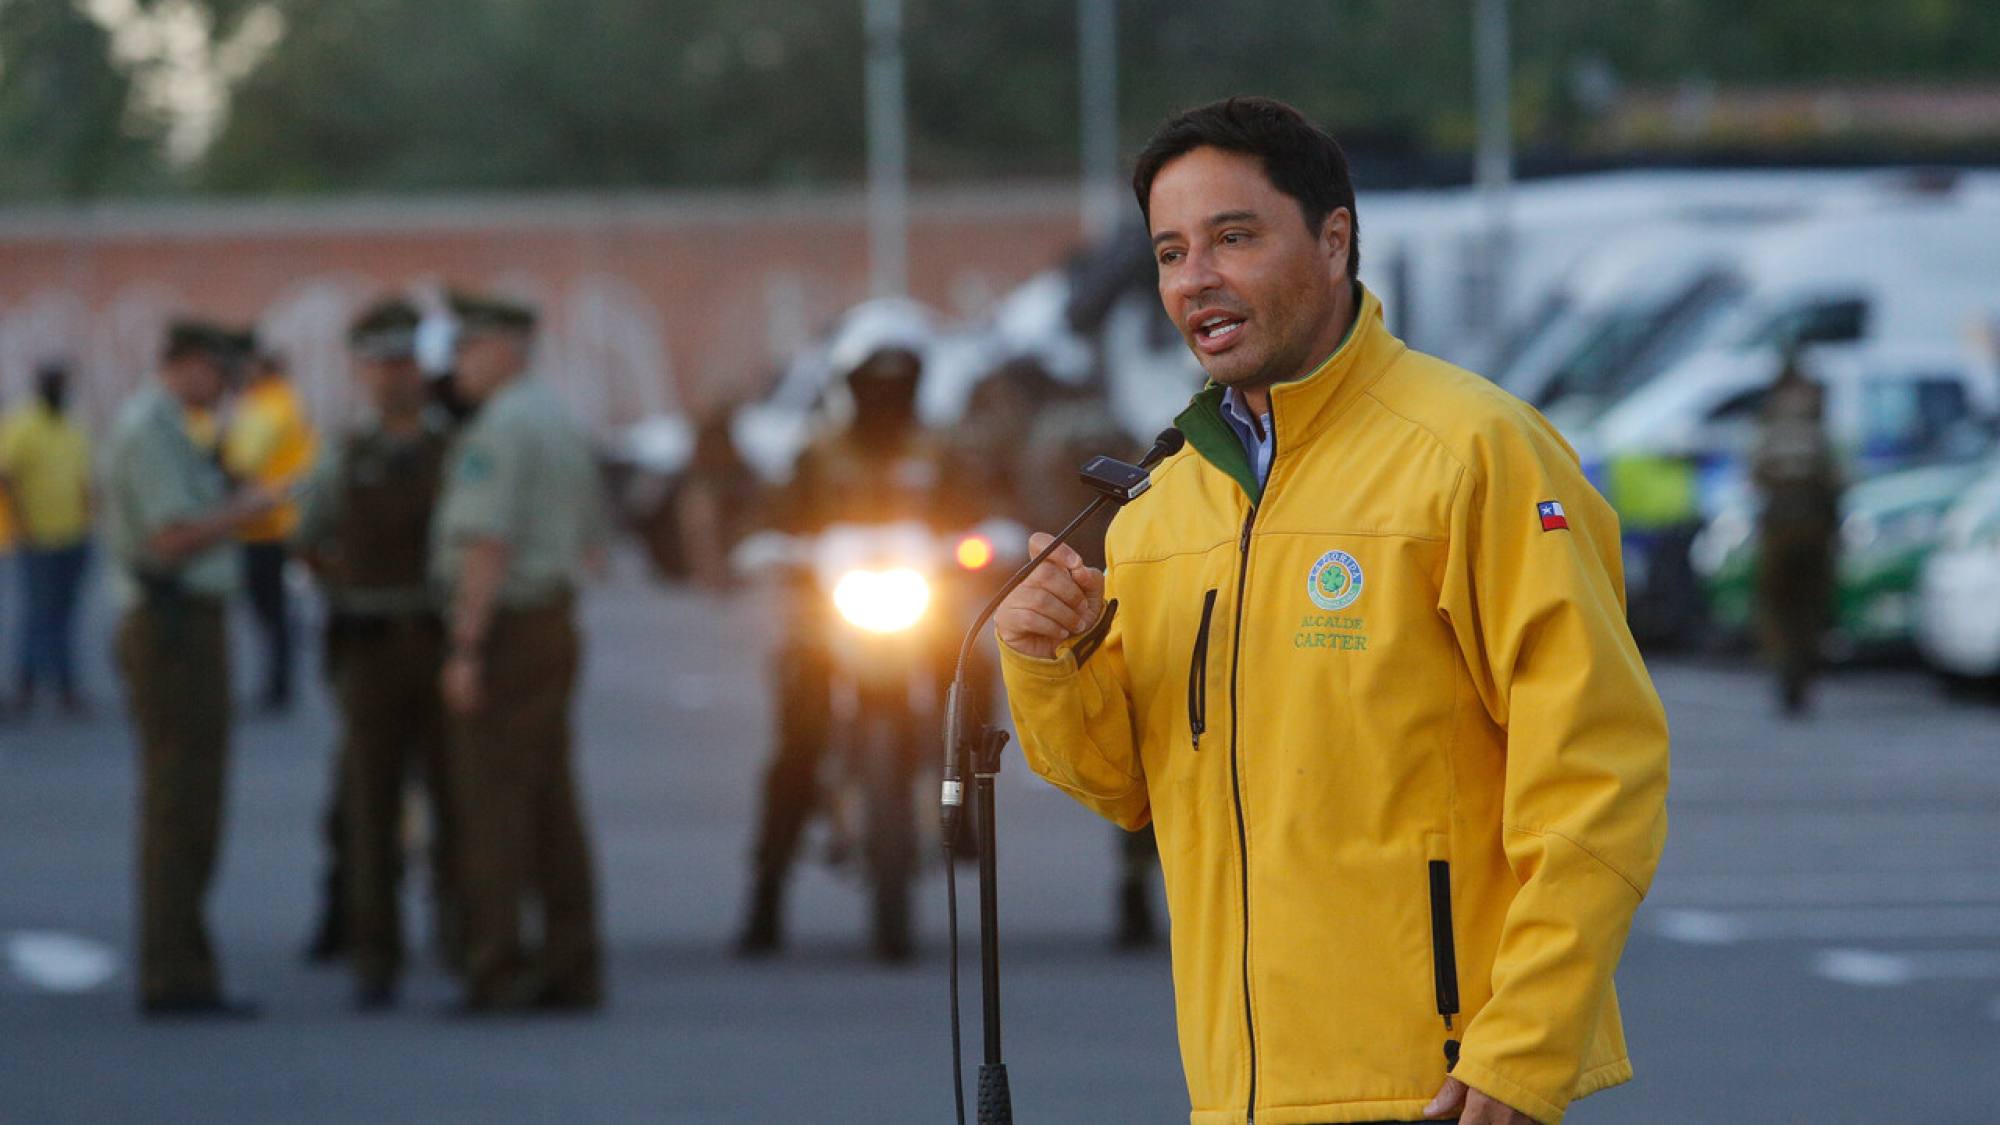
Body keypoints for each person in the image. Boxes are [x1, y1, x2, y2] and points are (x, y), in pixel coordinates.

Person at [994, 98, 1670, 1125]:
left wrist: (1521, 1050)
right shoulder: (1161, 501)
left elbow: (1598, 769)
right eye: (1171, 252)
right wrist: (1045, 660)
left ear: (1333, 239)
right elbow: (1130, 787)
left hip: (1437, 1091)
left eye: (1233, 236)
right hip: (1236, 1097)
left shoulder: (1473, 451)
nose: (1196, 280)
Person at [731, 301, 973, 963]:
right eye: (875, 381)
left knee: (974, 670)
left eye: (900, 381)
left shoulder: (941, 450)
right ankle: (766, 891)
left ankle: (969, 800)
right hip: (831, 613)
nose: (887, 395)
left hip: (923, 606)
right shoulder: (817, 451)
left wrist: (988, 540)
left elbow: (981, 509)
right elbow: (776, 515)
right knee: (798, 727)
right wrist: (773, 546)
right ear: (849, 382)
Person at [432, 290, 607, 1013]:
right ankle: (573, 962)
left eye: (468, 349)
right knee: (552, 801)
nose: (457, 366)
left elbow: (487, 542)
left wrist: (467, 646)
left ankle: (495, 963)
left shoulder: (501, 428)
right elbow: (593, 544)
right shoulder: (560, 419)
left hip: (509, 627)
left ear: (504, 348)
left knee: (493, 802)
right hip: (554, 618)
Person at [106, 319, 279, 1018]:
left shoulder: (171, 424)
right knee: (182, 801)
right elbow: (170, 536)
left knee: (188, 801)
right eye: (222, 374)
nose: (227, 390)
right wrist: (246, 508)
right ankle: (175, 970)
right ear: (191, 363)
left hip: (182, 623)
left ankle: (180, 961)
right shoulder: (149, 429)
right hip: (173, 625)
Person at [293, 298, 462, 1008]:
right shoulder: (342, 453)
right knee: (368, 807)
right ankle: (373, 950)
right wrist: (347, 587)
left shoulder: (454, 446)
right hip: (368, 643)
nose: (396, 378)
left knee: (459, 799)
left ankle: (460, 938)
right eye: (381, 364)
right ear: (362, 371)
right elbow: (308, 537)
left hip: (436, 634)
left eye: (405, 362)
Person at [223, 350, 318, 712]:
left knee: (269, 611)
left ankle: (276, 686)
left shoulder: (265, 408)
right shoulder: (289, 401)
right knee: (276, 610)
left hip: (263, 525)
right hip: (283, 521)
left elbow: (241, 463)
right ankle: (279, 682)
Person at [1749, 348, 1841, 717]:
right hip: (1811, 528)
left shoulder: (1768, 429)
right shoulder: (1819, 431)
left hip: (1782, 529)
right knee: (1805, 606)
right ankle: (1799, 671)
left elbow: (1755, 477)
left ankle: (1788, 671)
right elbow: (1838, 482)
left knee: (1781, 607)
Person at [0, 364, 95, 715]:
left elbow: (84, 477)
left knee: (65, 614)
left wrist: (89, 519)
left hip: (73, 534)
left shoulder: (72, 424)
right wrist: (21, 524)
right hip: (37, 537)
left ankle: (65, 687)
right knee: (39, 614)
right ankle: (27, 685)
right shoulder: (23, 424)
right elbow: (6, 476)